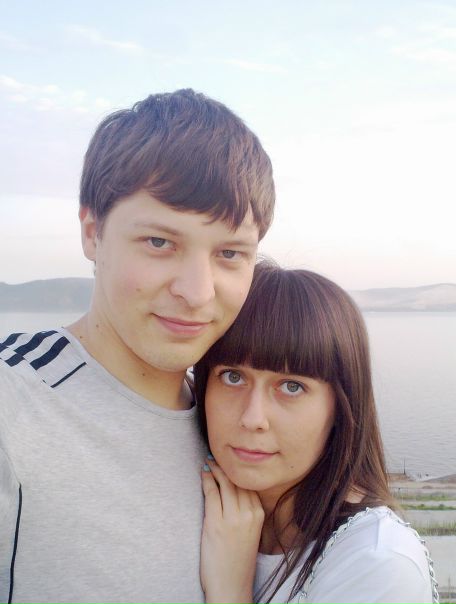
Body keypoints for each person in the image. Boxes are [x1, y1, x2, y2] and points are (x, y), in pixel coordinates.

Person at [0, 89, 275, 604]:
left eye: (230, 253)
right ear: (92, 233)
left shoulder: (233, 424)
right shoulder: (14, 408)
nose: (198, 292)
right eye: (159, 242)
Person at [194, 260, 439, 604]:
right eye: (232, 377)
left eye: (291, 386)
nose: (252, 418)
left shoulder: (376, 563)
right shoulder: (201, 504)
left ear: (340, 407)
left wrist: (230, 591)